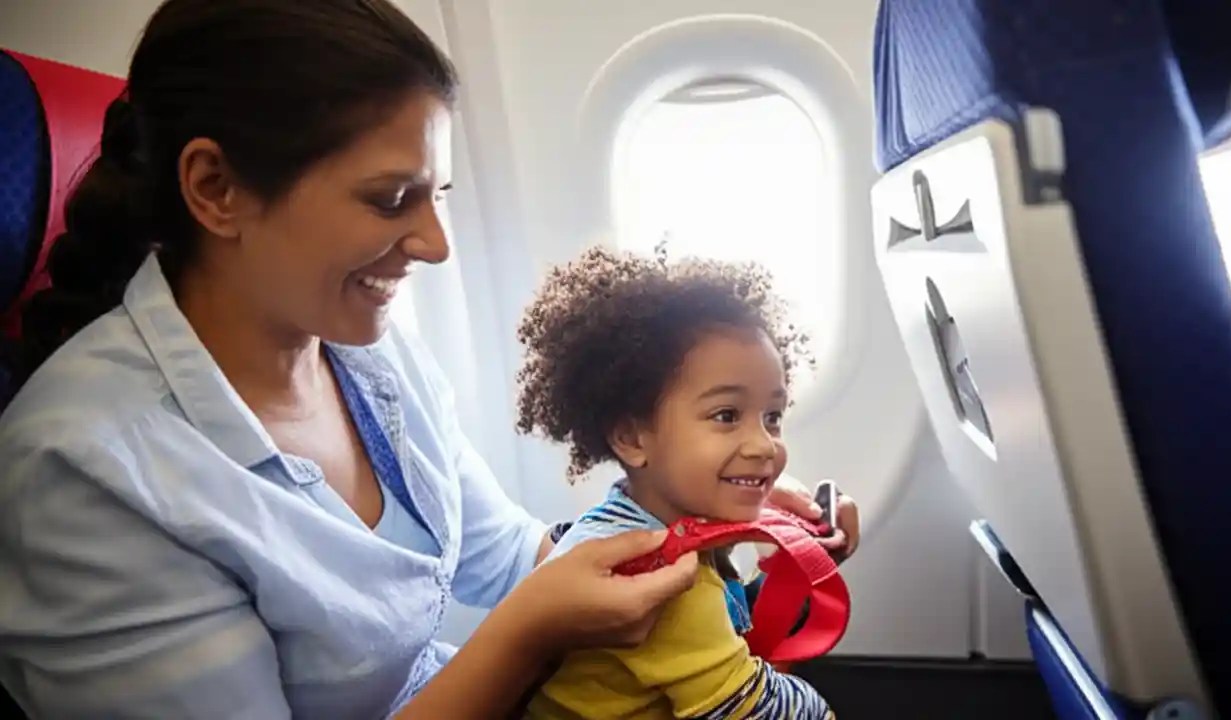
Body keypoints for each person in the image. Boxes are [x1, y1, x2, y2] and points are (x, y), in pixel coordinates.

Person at [0, 1, 859, 718]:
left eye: (436, 194)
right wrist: (526, 632)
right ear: (216, 189)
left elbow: (513, 559)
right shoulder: (86, 471)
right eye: (389, 199)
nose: (436, 244)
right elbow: (528, 603)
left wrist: (713, 517)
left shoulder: (370, 359)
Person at [516, 246, 842, 718]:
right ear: (632, 437)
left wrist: (790, 573)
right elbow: (755, 709)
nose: (765, 445)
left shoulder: (644, 519)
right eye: (727, 415)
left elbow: (728, 621)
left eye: (772, 417)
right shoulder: (659, 575)